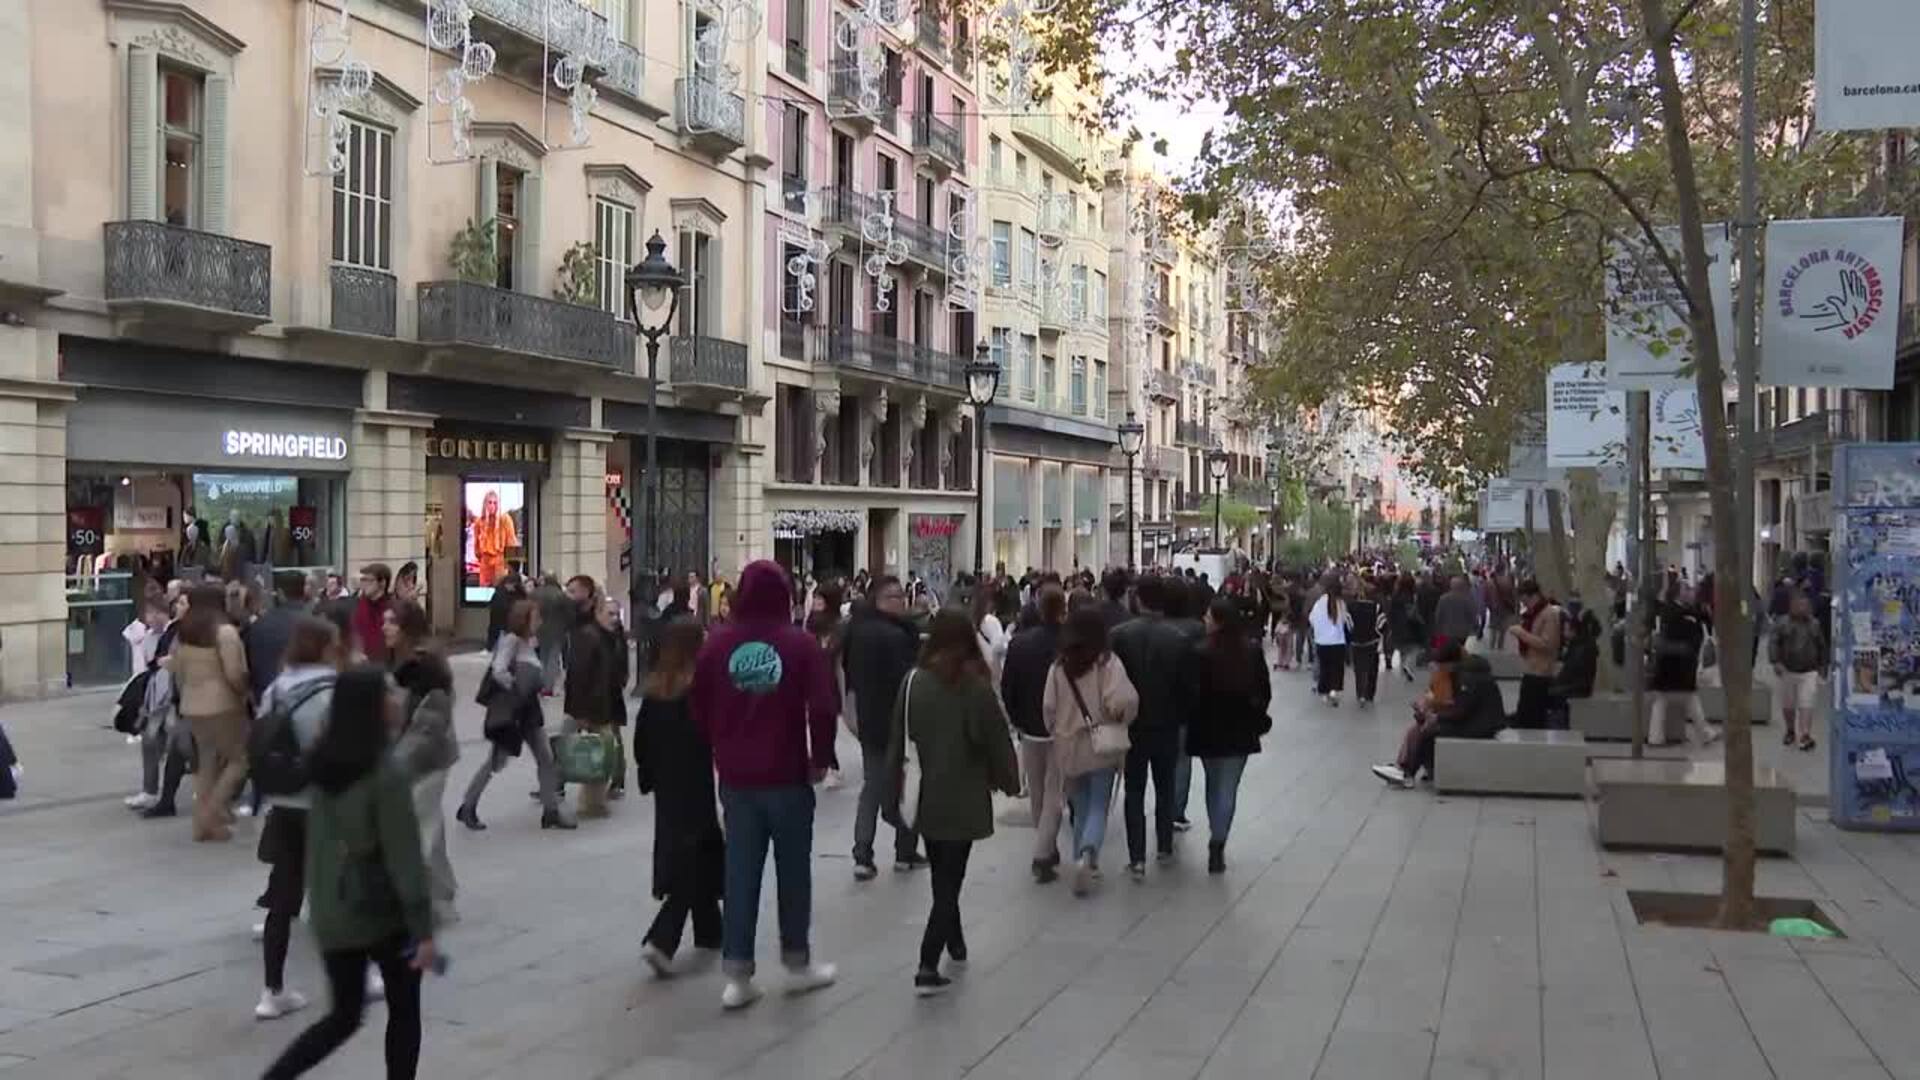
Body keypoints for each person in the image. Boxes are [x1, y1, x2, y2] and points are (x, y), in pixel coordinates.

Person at [260, 667, 436, 1080]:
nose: (398, 701)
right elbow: (405, 859)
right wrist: (423, 930)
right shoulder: (384, 774)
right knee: (405, 1009)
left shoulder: (323, 765)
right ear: (375, 708)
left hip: (332, 910)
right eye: (390, 694)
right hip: (382, 913)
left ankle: (275, 1076)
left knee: (344, 1015)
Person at [691, 560, 840, 1010]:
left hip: (736, 779)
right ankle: (797, 964)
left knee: (740, 874)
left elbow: (697, 705)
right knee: (793, 872)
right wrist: (821, 758)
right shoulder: (800, 644)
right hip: (787, 774)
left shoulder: (717, 645)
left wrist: (720, 744)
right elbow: (823, 707)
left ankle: (737, 975)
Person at [888, 608, 1021, 996]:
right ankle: (928, 963)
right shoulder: (973, 688)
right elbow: (995, 739)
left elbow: (898, 740)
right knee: (951, 878)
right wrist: (1009, 781)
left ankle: (955, 940)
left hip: (924, 795)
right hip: (962, 795)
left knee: (941, 873)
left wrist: (888, 794)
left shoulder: (913, 682)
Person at [252, 616, 342, 1022]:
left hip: (283, 802)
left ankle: (272, 991)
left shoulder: (277, 688)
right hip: (323, 805)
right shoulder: (337, 690)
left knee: (282, 901)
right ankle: (363, 976)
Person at [634, 618, 725, 977]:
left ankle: (710, 929)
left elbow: (642, 740)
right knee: (697, 854)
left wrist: (648, 773)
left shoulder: (657, 687)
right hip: (695, 781)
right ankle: (662, 938)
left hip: (667, 785)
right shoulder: (698, 689)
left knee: (696, 849)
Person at [1043, 605, 1139, 897]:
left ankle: (1080, 860)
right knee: (1099, 805)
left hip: (1068, 747)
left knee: (1081, 805)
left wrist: (1056, 729)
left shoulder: (1059, 666)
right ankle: (1088, 856)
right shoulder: (1108, 663)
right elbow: (1121, 702)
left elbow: (1048, 709)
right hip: (1101, 745)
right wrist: (1120, 716)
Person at [456, 599, 572, 830]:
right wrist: (516, 689)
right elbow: (499, 670)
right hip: (515, 711)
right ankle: (468, 806)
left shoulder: (530, 642)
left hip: (528, 711)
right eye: (535, 616)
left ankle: (551, 811)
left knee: (545, 758)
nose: (539, 620)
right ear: (524, 618)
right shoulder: (511, 640)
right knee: (496, 761)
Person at [841, 574, 926, 880]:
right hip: (898, 723)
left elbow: (847, 674)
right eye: (896, 597)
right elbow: (910, 681)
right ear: (879, 600)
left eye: (903, 596)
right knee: (906, 785)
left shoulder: (857, 631)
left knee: (872, 787)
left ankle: (862, 853)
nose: (903, 602)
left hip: (869, 722)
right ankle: (904, 851)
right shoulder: (901, 636)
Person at [1109, 575, 1194, 877]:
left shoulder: (1118, 636)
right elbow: (1188, 688)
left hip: (1131, 726)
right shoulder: (1179, 640)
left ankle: (1136, 858)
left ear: (1138, 599)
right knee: (1165, 785)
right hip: (1167, 724)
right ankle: (1165, 847)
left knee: (1134, 789)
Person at [1180, 598, 1271, 873]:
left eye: (1208, 616)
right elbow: (1263, 690)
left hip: (1207, 727)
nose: (1204, 621)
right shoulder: (1251, 651)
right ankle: (1218, 841)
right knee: (1229, 787)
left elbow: (1190, 693)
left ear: (1218, 620)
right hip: (1240, 727)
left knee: (1212, 782)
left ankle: (1215, 829)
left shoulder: (1199, 652)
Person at [385, 600, 460, 925]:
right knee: (429, 827)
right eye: (385, 621)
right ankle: (442, 896)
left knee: (421, 830)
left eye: (393, 622)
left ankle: (423, 903)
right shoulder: (403, 661)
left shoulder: (425, 665)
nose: (385, 627)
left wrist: (398, 764)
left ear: (409, 628)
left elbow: (429, 724)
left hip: (425, 760)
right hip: (413, 755)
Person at [166, 584, 251, 842]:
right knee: (239, 760)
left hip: (192, 704)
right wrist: (244, 693)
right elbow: (234, 673)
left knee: (206, 763)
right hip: (222, 704)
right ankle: (210, 814)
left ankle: (202, 826)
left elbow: (176, 670)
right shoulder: (224, 632)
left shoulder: (184, 632)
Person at [1002, 583, 1067, 881]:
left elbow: (1008, 687)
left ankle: (1046, 844)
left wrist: (1017, 720)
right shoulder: (1070, 643)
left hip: (1030, 727)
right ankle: (1044, 851)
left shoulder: (1020, 643)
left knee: (1038, 791)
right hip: (1063, 727)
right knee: (1056, 790)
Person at [1370, 650, 1505, 789]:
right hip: (1481, 723)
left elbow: (1461, 711)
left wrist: (1437, 717)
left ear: (1449, 664)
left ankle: (1407, 773)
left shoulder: (1469, 679)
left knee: (1427, 731)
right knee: (1422, 729)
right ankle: (1411, 769)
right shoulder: (1472, 676)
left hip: (1480, 727)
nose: (1438, 668)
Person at [563, 594, 618, 818]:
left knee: (601, 753)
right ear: (597, 613)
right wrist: (580, 711)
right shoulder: (590, 637)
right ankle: (590, 802)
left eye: (617, 614)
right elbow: (577, 675)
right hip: (590, 707)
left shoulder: (606, 636)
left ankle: (593, 801)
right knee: (599, 753)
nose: (614, 619)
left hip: (601, 705)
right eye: (610, 614)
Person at [1649, 583, 1718, 747]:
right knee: (1686, 699)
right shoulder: (1678, 612)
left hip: (1672, 664)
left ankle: (1655, 737)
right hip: (1677, 663)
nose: (1691, 592)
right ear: (1678, 594)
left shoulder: (1683, 611)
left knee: (1664, 701)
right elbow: (1692, 630)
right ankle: (1705, 733)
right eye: (1687, 590)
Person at [1770, 588, 1827, 752]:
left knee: (1806, 702)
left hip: (1809, 670)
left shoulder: (1814, 624)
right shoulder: (1782, 623)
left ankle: (1805, 734)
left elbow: (1822, 646)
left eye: (1804, 605)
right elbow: (1774, 642)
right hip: (1788, 669)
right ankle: (1790, 730)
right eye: (1798, 605)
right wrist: (1776, 661)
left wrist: (1823, 667)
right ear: (1791, 606)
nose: (1801, 608)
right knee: (1788, 705)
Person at [1507, 580, 1564, 729]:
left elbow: (1548, 644)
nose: (1525, 605)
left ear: (1533, 596)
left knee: (1533, 716)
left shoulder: (1549, 614)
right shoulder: (1534, 614)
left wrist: (1521, 634)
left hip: (1541, 671)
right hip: (1531, 669)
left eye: (1525, 600)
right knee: (1525, 713)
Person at [1308, 576, 1351, 706]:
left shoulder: (1319, 603)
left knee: (1324, 667)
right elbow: (1345, 621)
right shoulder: (1341, 604)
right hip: (1338, 641)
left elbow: (1311, 619)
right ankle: (1334, 690)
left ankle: (1324, 692)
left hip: (1322, 641)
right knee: (1336, 668)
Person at [1346, 579, 1386, 707]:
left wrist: (1351, 635)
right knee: (1372, 667)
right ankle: (1370, 693)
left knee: (1359, 668)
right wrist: (1378, 634)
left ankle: (1360, 693)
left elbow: (1348, 624)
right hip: (1372, 642)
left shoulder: (1350, 606)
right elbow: (1382, 624)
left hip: (1356, 642)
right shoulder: (1377, 607)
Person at [471, 489, 519, 595]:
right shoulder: (479, 522)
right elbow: (476, 547)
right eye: (489, 502)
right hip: (485, 562)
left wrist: (512, 569)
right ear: (485, 504)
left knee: (501, 592)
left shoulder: (505, 519)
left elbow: (512, 543)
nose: (492, 505)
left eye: (495, 503)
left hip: (500, 561)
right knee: (483, 593)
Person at [532, 574, 571, 687]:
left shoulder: (535, 593)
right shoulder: (560, 595)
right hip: (557, 630)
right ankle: (548, 685)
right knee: (553, 658)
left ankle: (540, 682)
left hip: (539, 629)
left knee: (542, 657)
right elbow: (568, 613)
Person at [350, 564, 393, 666]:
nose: (363, 584)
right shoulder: (357, 605)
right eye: (362, 580)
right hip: (361, 666)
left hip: (386, 666)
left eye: (368, 580)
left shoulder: (392, 608)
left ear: (382, 582)